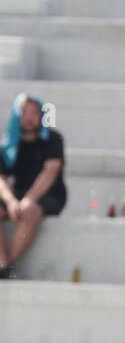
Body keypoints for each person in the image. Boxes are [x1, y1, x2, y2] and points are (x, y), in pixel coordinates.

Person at [0, 92, 65, 278]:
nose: (29, 118)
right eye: (24, 113)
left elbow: (50, 171)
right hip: (18, 194)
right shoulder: (8, 145)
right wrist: (11, 201)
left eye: (33, 113)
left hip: (48, 195)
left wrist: (28, 199)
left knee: (30, 210)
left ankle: (8, 265)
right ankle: (2, 262)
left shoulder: (52, 139)